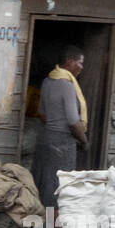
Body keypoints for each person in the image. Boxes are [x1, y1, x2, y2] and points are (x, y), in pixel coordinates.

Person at [31, 45, 88, 208]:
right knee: (59, 186)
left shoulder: (47, 81)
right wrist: (84, 140)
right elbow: (72, 121)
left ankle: (38, 222)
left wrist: (53, 125)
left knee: (43, 180)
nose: (81, 67)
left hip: (46, 138)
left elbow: (42, 113)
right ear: (70, 62)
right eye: (80, 63)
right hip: (63, 141)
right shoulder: (67, 85)